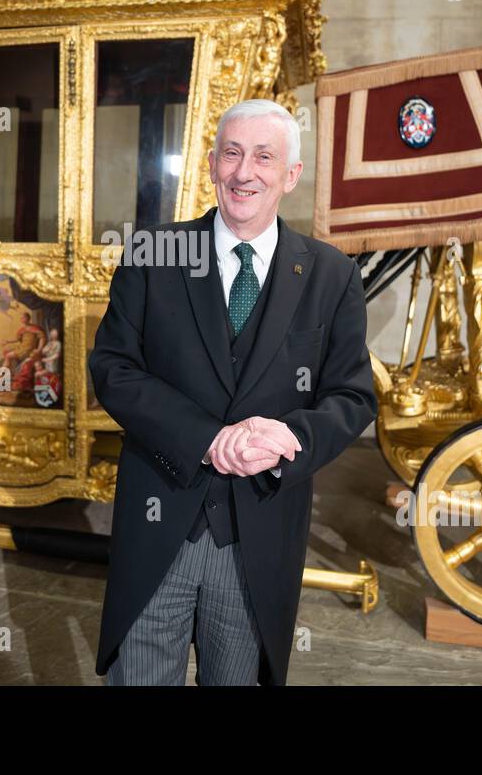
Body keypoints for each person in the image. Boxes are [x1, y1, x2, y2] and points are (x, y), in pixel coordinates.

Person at [90, 98, 377, 686]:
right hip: (159, 521)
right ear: (213, 164)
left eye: (264, 157)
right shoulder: (154, 253)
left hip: (259, 533)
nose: (245, 172)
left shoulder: (331, 274)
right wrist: (207, 439)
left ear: (290, 176)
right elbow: (114, 367)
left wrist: (289, 436)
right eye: (232, 153)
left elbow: (352, 396)